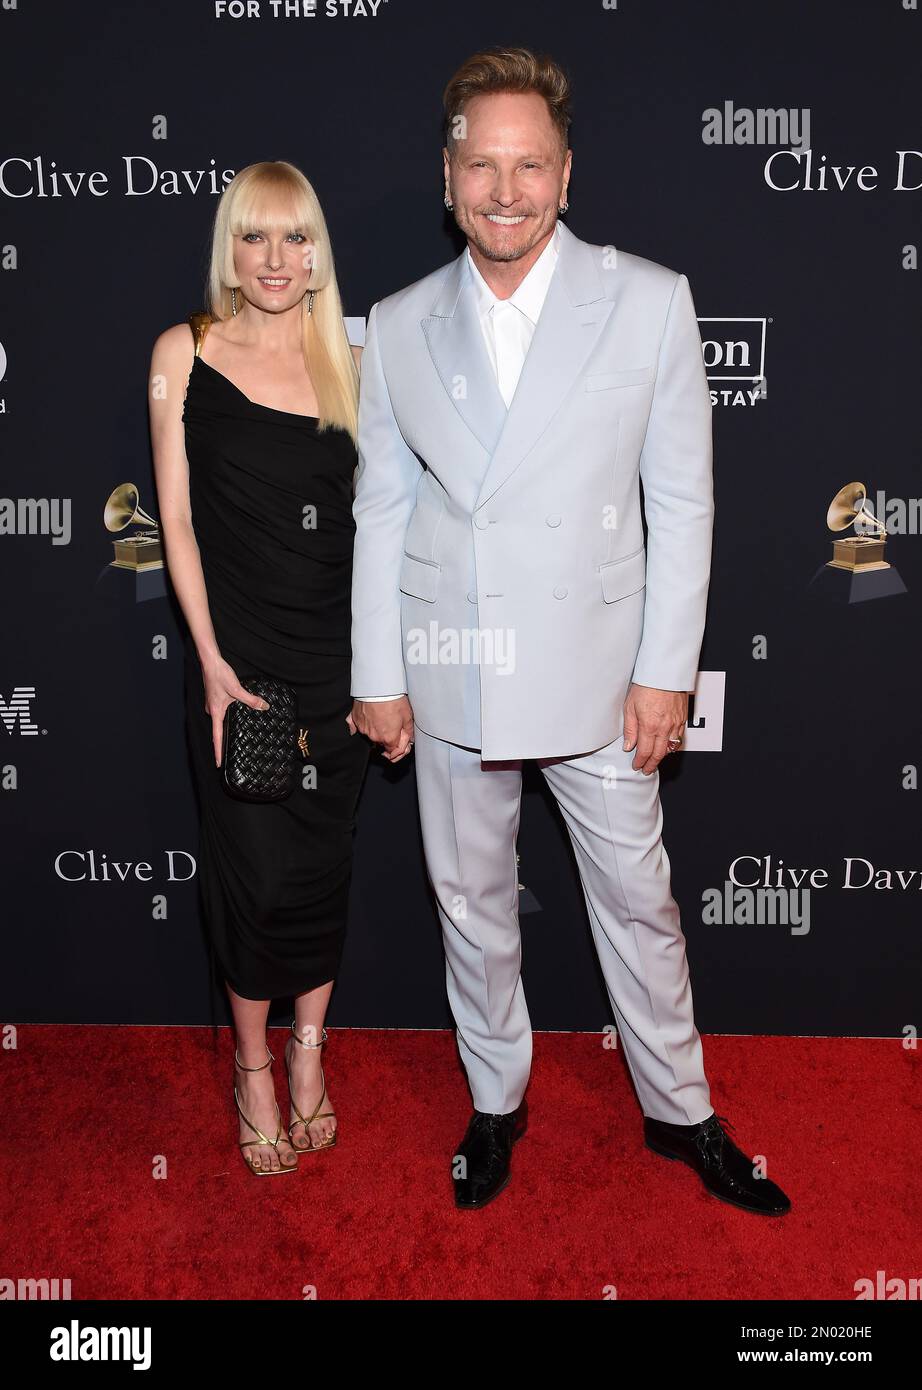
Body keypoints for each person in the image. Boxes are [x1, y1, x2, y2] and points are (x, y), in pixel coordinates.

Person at [350, 48, 790, 1215]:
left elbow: (682, 502)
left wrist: (664, 674)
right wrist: (376, 674)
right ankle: (496, 1101)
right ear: (448, 178)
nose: (506, 190)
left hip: (599, 674)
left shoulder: (646, 298)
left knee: (638, 900)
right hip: (451, 659)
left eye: (529, 165)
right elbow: (382, 509)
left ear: (565, 173)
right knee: (469, 898)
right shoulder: (394, 326)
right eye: (482, 165)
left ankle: (680, 1110)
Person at [150, 160, 369, 1176]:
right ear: (228, 248)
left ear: (317, 251)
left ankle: (310, 1051)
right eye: (254, 236)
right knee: (255, 882)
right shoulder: (181, 355)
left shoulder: (352, 364)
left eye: (294, 237)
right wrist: (207, 663)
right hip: (241, 671)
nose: (274, 259)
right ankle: (251, 1068)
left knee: (321, 873)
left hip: (336, 664)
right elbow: (178, 522)